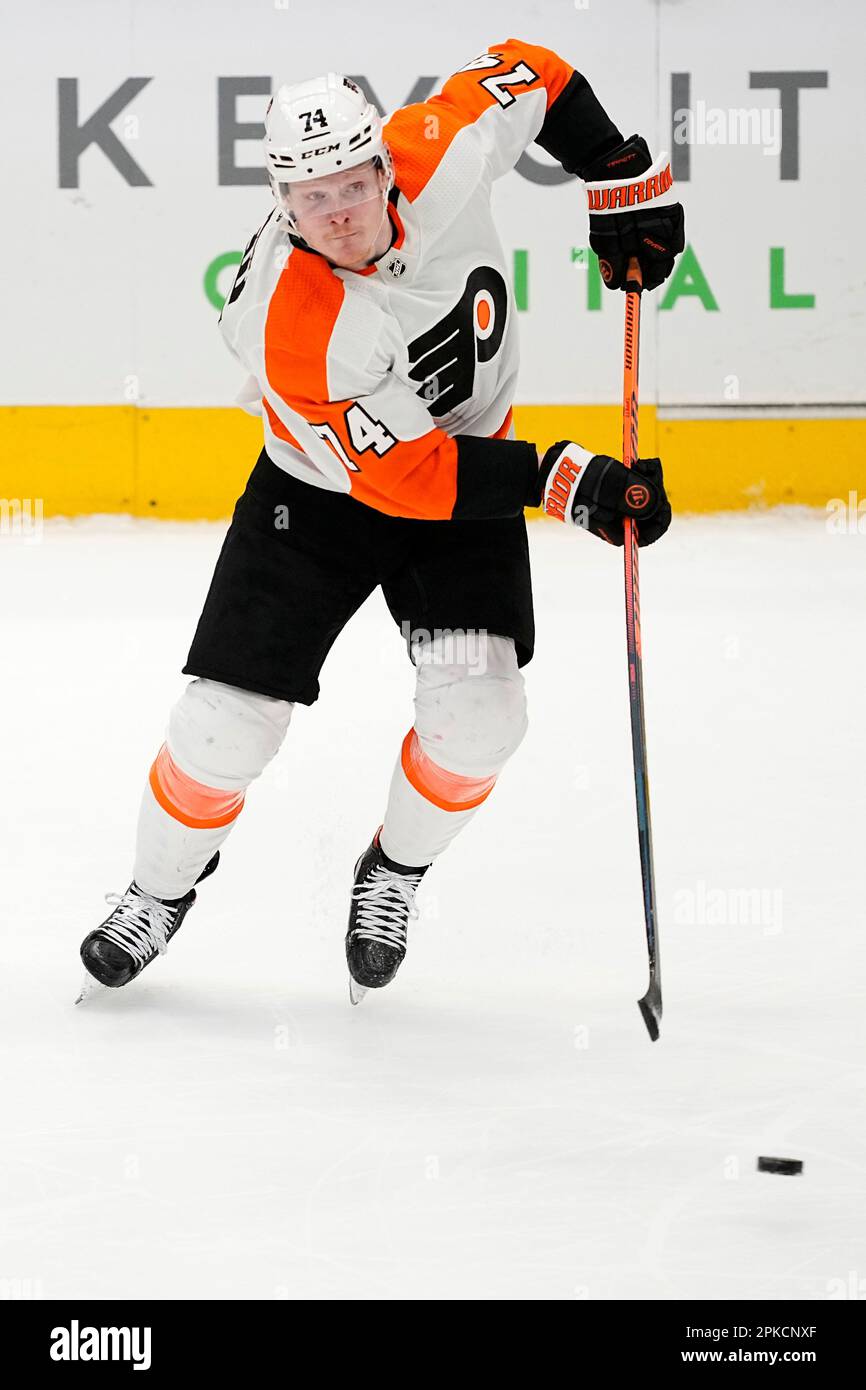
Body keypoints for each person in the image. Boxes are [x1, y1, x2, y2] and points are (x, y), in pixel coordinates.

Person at [78, 39, 683, 1004]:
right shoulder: (291, 320)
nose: (340, 213)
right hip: (320, 496)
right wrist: (575, 482)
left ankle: (392, 874)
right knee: (224, 730)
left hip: (464, 476)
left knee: (481, 720)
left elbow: (535, 70)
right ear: (282, 200)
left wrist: (617, 176)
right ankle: (158, 889)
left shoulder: (438, 145)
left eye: (355, 183)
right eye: (312, 198)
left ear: (383, 164)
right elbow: (409, 477)